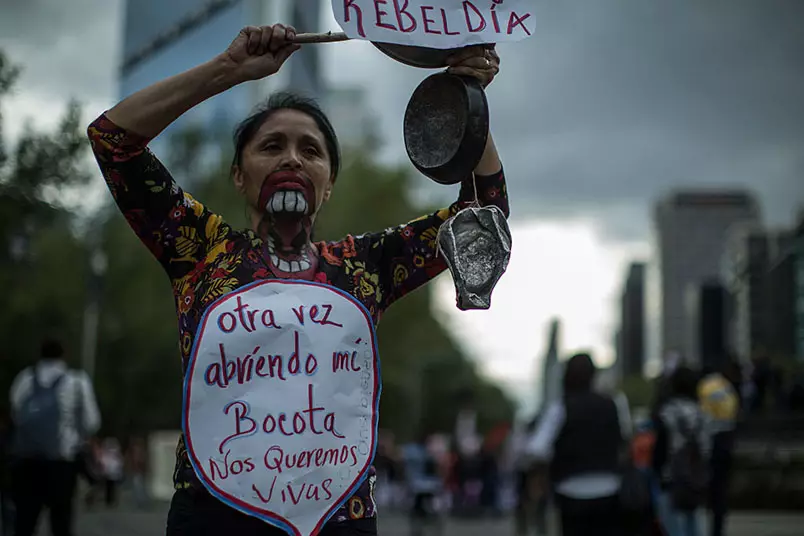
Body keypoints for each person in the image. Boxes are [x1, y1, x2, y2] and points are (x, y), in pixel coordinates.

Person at [86, 23, 507, 536]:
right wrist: (229, 70)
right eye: (271, 146)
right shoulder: (200, 252)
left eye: (311, 151)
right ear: (239, 175)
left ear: (328, 184)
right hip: (214, 518)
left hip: (338, 521)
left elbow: (484, 219)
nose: (291, 158)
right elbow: (113, 140)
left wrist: (470, 97)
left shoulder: (364, 266)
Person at [525, 353, 630, 536]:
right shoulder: (614, 404)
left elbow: (537, 448)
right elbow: (625, 438)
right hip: (609, 487)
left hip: (570, 490)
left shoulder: (561, 407)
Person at [8, 338, 101, 536]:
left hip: (27, 462)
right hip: (61, 463)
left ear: (39, 354)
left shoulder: (24, 379)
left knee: (24, 521)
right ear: (64, 354)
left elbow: (16, 414)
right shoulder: (76, 381)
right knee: (61, 522)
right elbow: (91, 422)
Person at [652, 366, 712, 536]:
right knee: (696, 527)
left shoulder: (666, 412)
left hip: (671, 481)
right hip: (696, 481)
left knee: (673, 529)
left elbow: (660, 450)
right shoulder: (702, 414)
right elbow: (706, 448)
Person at [698, 364, 740, 536]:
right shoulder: (726, 387)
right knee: (721, 491)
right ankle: (718, 529)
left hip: (712, 442)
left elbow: (704, 416)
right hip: (727, 440)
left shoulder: (706, 386)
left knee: (706, 490)